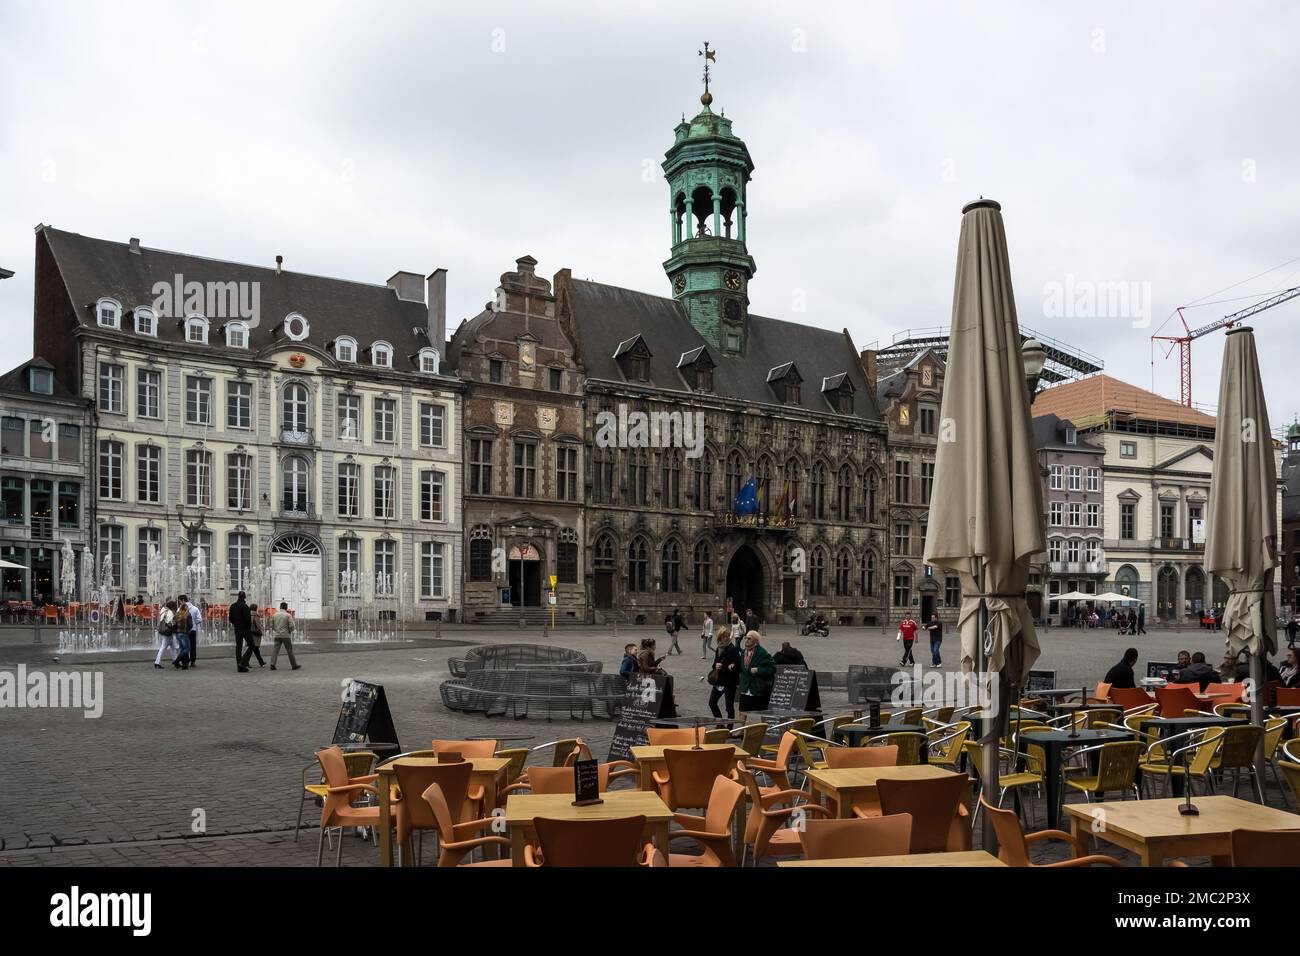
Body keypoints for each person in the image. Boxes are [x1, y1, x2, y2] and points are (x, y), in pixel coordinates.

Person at [708, 627, 741, 720]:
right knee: (712, 703)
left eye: (727, 636)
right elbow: (714, 663)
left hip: (729, 682)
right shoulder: (718, 649)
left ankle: (729, 729)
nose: (726, 638)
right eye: (723, 636)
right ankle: (720, 724)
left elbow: (738, 667)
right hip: (719, 681)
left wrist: (724, 667)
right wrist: (716, 666)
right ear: (719, 638)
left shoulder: (733, 649)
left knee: (729, 707)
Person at [737, 630, 775, 711]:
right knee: (742, 712)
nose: (746, 640)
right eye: (746, 638)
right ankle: (743, 724)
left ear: (756, 641)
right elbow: (741, 668)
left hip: (757, 689)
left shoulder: (762, 652)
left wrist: (758, 670)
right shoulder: (744, 652)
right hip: (745, 688)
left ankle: (764, 724)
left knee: (763, 712)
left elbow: (772, 668)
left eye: (749, 638)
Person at [269, 601, 300, 670]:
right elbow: (292, 626)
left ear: (280, 607)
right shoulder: (288, 615)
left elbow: (271, 625)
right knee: (289, 650)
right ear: (286, 608)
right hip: (286, 635)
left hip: (277, 635)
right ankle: (294, 665)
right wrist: (290, 631)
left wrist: (276, 630)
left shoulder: (275, 615)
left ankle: (272, 664)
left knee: (275, 650)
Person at [229, 591, 254, 673]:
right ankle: (243, 662)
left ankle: (239, 665)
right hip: (245, 629)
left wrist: (236, 624)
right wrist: (248, 627)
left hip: (237, 628)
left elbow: (230, 618)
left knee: (238, 647)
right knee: (252, 645)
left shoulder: (233, 606)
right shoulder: (245, 606)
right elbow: (248, 619)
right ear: (244, 597)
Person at [154, 599, 178, 669]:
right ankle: (157, 662)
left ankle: (175, 661)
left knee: (172, 647)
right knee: (164, 647)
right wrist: (175, 621)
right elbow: (170, 622)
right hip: (168, 631)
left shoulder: (163, 610)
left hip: (164, 630)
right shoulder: (170, 612)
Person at [243, 603, 266, 669]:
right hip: (255, 634)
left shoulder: (247, 615)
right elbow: (258, 626)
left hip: (248, 633)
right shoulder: (256, 615)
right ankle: (245, 662)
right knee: (252, 648)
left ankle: (261, 662)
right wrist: (260, 631)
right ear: (256, 608)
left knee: (255, 649)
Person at [172, 598, 192, 670]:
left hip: (178, 634)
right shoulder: (187, 614)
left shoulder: (177, 614)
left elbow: (173, 622)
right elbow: (190, 625)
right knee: (187, 649)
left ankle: (184, 665)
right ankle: (177, 661)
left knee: (182, 648)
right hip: (184, 633)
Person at [184, 593, 202, 668]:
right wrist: (194, 623)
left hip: (184, 630)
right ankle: (193, 661)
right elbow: (199, 619)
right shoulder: (195, 608)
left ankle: (186, 661)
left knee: (185, 645)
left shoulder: (181, 608)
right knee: (192, 646)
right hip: (193, 629)